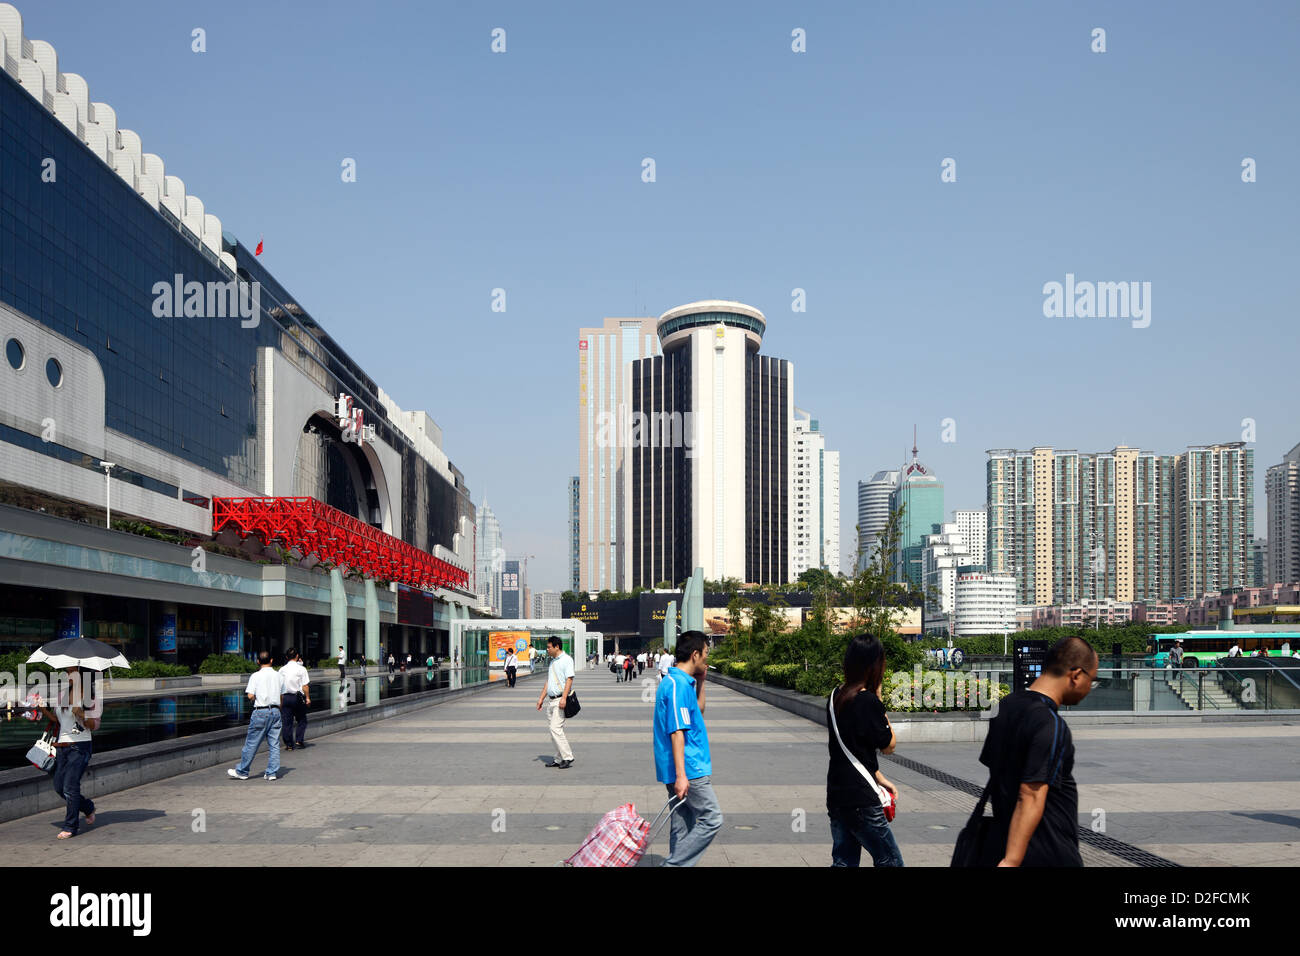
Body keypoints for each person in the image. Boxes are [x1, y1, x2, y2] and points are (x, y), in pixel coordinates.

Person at [977, 636, 1099, 867]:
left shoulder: (1006, 706)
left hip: (1004, 839)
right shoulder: (1050, 723)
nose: (1089, 689)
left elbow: (997, 772)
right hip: (1048, 851)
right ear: (1076, 675)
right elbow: (1031, 794)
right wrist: (1011, 861)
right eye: (1091, 680)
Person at [826, 634, 902, 867]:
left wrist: (880, 778)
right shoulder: (868, 701)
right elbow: (889, 746)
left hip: (837, 794)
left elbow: (851, 748)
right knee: (890, 861)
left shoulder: (835, 697)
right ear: (874, 666)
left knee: (844, 862)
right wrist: (879, 701)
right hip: (861, 800)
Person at [653, 630, 721, 867]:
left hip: (684, 766)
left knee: (683, 826)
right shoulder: (676, 686)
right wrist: (682, 775)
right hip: (689, 767)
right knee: (712, 818)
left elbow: (698, 711)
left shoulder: (682, 683)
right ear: (695, 654)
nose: (707, 658)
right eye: (706, 653)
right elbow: (676, 732)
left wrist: (701, 682)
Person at [41, 667, 99, 839]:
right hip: (62, 747)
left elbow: (94, 725)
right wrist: (43, 710)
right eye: (67, 672)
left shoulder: (90, 697)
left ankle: (70, 826)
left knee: (70, 786)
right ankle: (87, 807)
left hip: (80, 747)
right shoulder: (63, 695)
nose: (67, 675)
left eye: (71, 672)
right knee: (59, 787)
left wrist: (82, 714)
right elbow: (58, 720)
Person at [229, 651, 285, 781]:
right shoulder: (279, 676)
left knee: (252, 743)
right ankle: (271, 773)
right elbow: (281, 696)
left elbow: (250, 695)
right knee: (274, 744)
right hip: (276, 711)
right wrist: (278, 709)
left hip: (260, 711)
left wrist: (256, 697)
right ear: (271, 660)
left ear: (258, 661)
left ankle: (242, 771)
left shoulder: (255, 676)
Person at [536, 636, 575, 769]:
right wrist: (541, 698)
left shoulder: (567, 660)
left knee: (555, 729)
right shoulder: (552, 662)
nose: (547, 649)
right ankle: (558, 759)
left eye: (549, 647)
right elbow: (549, 682)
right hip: (551, 700)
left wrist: (564, 698)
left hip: (559, 699)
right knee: (553, 732)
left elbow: (569, 679)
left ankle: (568, 757)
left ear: (556, 647)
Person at [279, 648, 311, 751]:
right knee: (302, 719)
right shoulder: (302, 669)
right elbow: (305, 686)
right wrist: (307, 698)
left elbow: (279, 687)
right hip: (297, 697)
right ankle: (299, 740)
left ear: (286, 657)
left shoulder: (282, 670)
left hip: (285, 697)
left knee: (286, 722)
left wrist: (280, 701)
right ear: (297, 656)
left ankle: (289, 744)